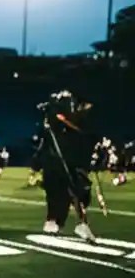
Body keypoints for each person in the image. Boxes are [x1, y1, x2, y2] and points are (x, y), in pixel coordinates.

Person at [37, 90, 98, 243]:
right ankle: (54, 220)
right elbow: (47, 135)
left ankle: (81, 223)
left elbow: (79, 129)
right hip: (56, 159)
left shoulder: (78, 121)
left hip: (73, 158)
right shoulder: (54, 122)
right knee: (56, 191)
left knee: (77, 190)